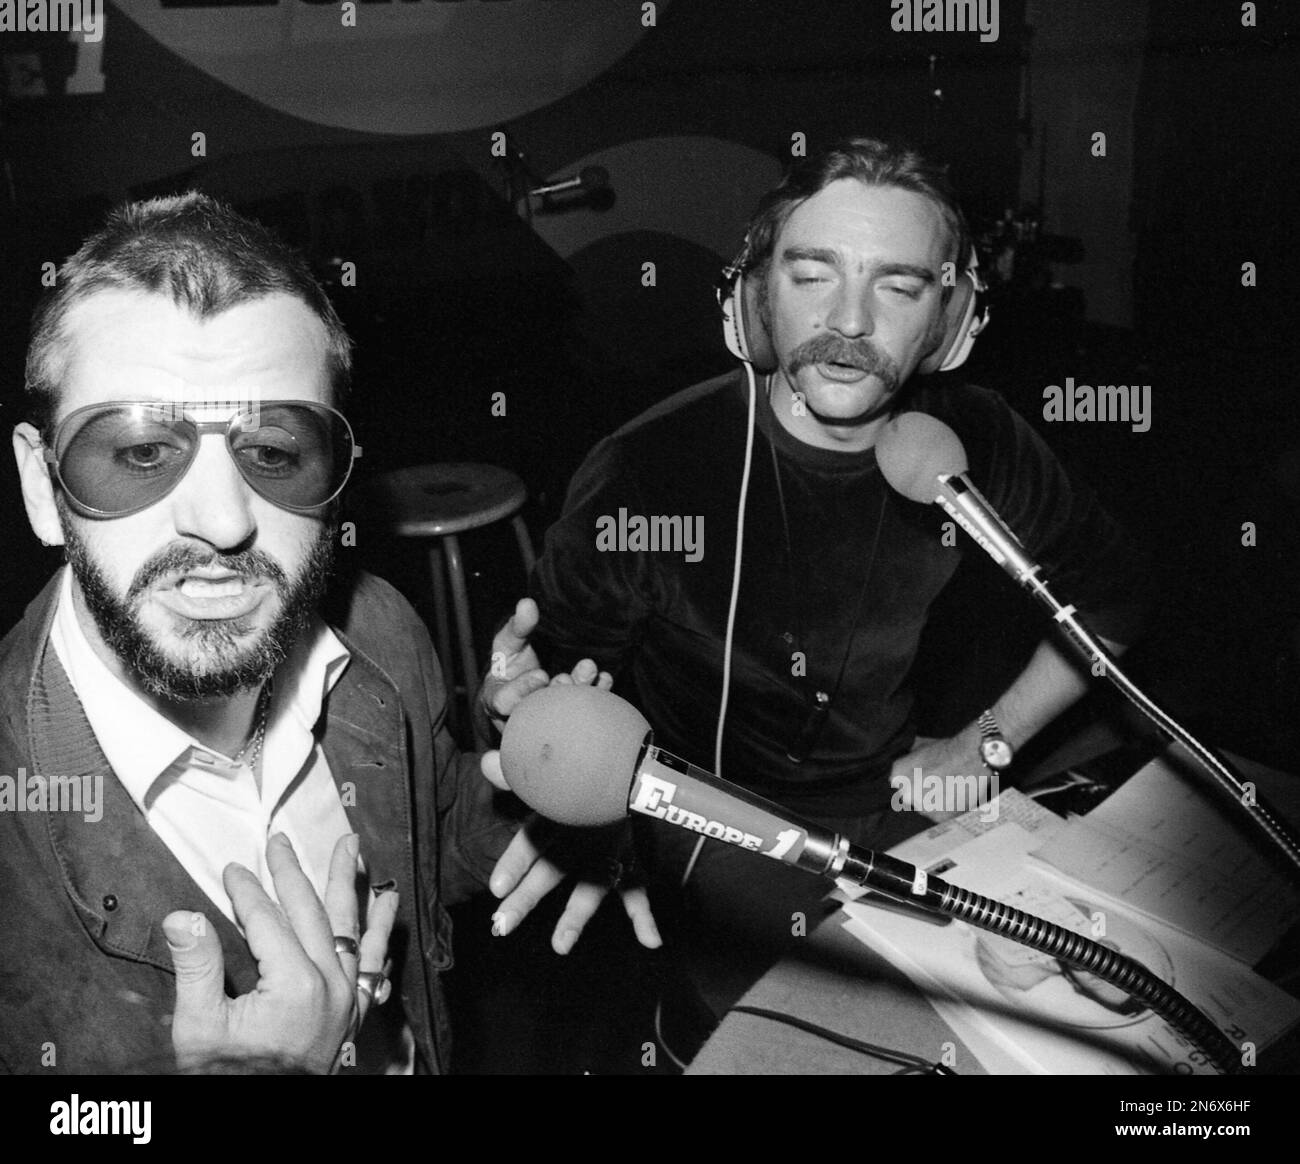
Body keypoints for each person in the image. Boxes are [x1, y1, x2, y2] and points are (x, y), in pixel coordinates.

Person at [482, 138, 1150, 1044]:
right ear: (754, 301)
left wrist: (986, 743)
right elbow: (545, 690)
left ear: (951, 321)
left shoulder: (970, 443)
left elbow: (1110, 599)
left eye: (899, 287)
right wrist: (528, 719)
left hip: (895, 806)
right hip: (703, 829)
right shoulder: (650, 472)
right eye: (812, 275)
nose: (851, 319)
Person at [0, 192, 617, 1075]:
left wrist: (543, 793)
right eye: (139, 452)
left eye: (274, 453)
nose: (223, 523)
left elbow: (429, 840)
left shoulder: (376, 635)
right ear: (41, 486)